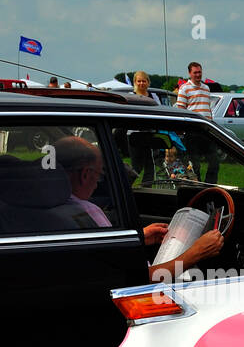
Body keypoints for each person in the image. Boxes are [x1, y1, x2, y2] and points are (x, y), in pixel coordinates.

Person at [52, 136, 223, 278]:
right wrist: (196, 253)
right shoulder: (86, 213)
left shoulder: (50, 209)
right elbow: (140, 280)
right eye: (99, 176)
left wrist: (140, 237)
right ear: (85, 175)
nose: (98, 184)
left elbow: (107, 253)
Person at [177, 61, 219, 181]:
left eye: (199, 72)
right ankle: (198, 187)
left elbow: (207, 109)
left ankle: (210, 186)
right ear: (189, 73)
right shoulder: (184, 88)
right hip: (193, 132)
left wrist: (211, 123)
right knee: (195, 165)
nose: (198, 75)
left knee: (214, 162)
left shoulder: (206, 88)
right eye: (195, 72)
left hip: (207, 130)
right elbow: (181, 110)